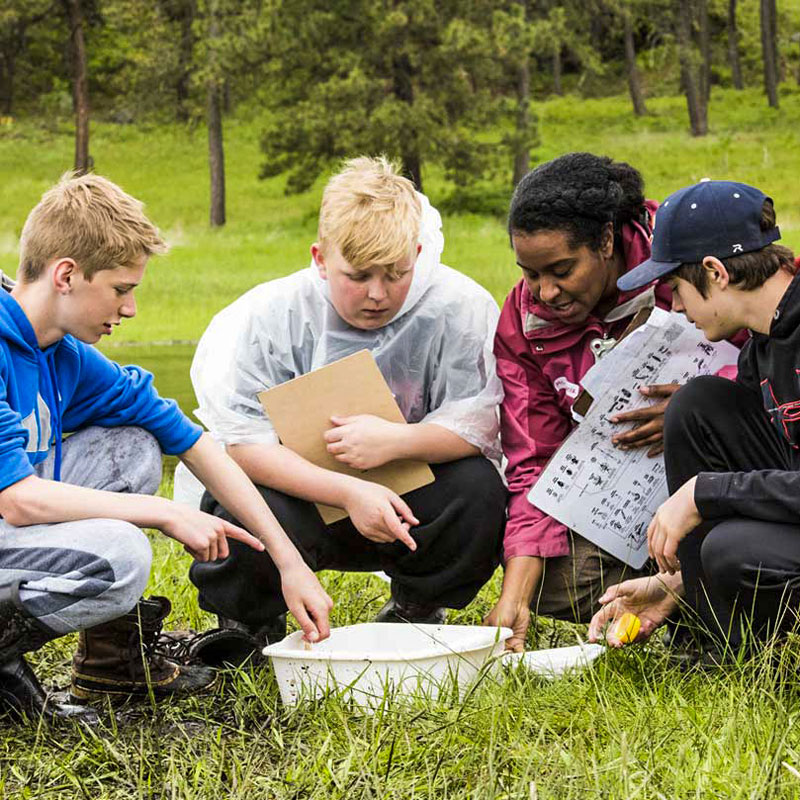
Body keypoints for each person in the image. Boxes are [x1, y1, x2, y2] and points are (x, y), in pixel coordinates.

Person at [0, 173, 332, 723]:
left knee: (131, 448)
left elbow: (194, 442)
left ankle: (110, 664)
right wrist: (163, 511)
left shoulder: (62, 355)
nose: (130, 308)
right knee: (120, 556)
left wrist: (289, 562)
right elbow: (17, 500)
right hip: (11, 510)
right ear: (66, 275)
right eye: (121, 289)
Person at [188, 156, 506, 644]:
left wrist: (397, 442)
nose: (377, 294)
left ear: (418, 254)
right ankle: (250, 623)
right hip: (298, 496)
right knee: (237, 502)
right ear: (320, 258)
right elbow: (242, 445)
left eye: (396, 274)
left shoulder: (458, 309)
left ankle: (418, 606)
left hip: (410, 495)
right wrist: (349, 491)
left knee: (478, 487)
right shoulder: (267, 317)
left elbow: (481, 423)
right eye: (358, 276)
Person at [484, 153, 695, 652]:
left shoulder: (684, 258)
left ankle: (703, 585)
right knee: (548, 584)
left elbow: (769, 364)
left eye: (561, 270)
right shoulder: (523, 322)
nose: (545, 292)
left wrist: (696, 408)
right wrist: (515, 596)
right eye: (530, 274)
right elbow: (533, 458)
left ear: (605, 240)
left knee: (731, 549)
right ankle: (676, 590)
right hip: (620, 505)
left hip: (712, 486)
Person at [589, 180, 800, 658]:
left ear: (714, 272)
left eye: (676, 289)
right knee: (698, 404)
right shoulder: (764, 343)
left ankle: (754, 655)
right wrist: (678, 584)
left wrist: (707, 492)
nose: (678, 307)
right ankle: (708, 632)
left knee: (732, 549)